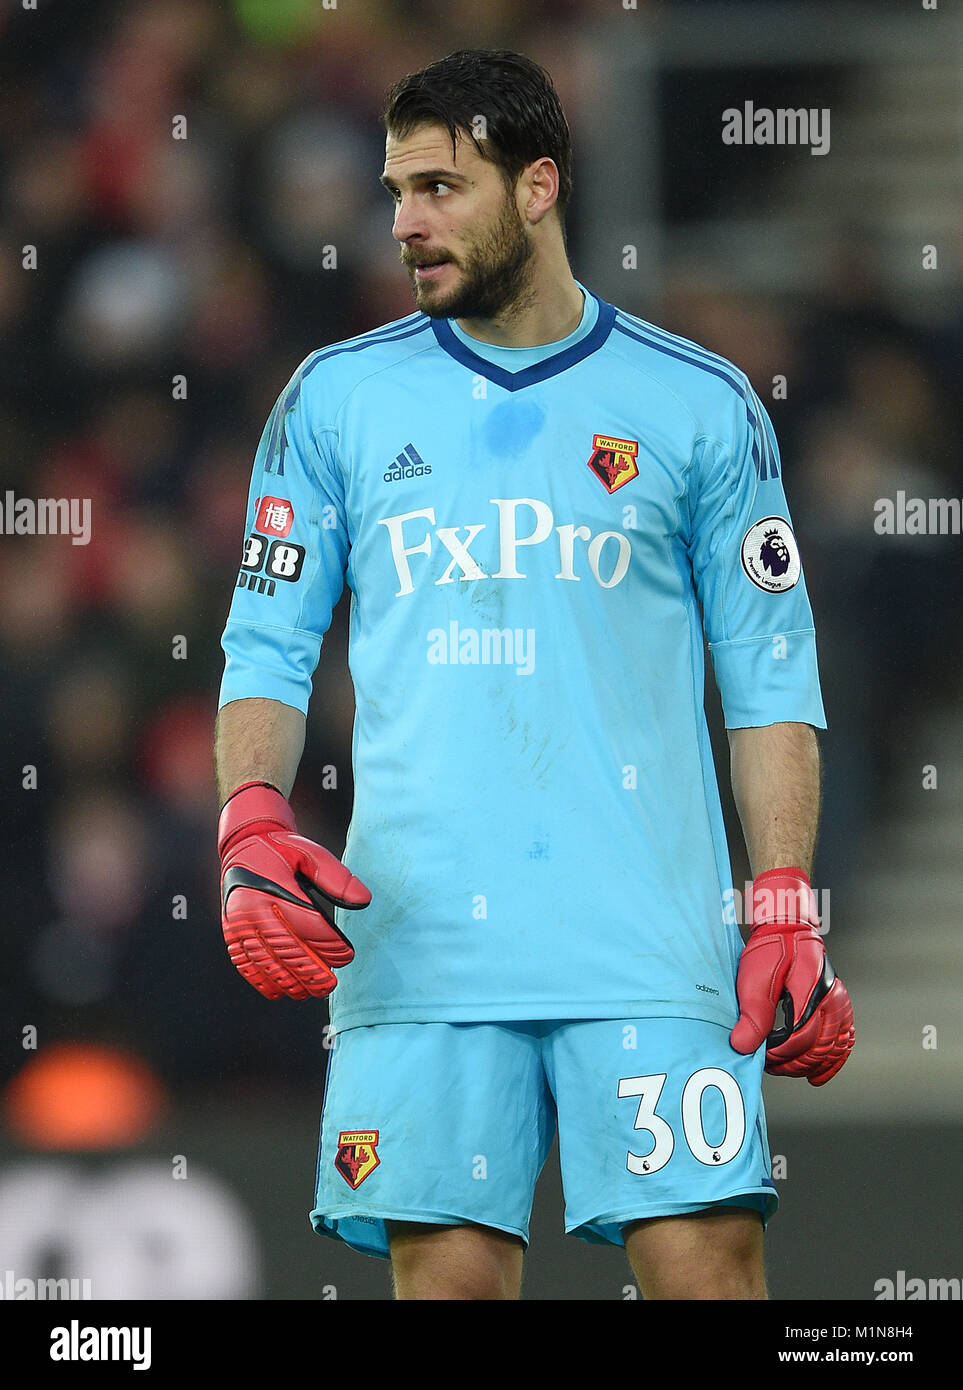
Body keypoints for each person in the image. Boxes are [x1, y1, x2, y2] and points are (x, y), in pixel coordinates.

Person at [214, 49, 854, 1301]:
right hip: (417, 941)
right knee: (448, 1288)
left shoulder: (699, 403)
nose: (406, 223)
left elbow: (771, 677)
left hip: (652, 938)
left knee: (710, 1274)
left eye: (443, 188)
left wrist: (781, 899)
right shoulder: (334, 401)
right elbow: (266, 642)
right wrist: (249, 819)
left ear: (542, 184)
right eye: (397, 191)